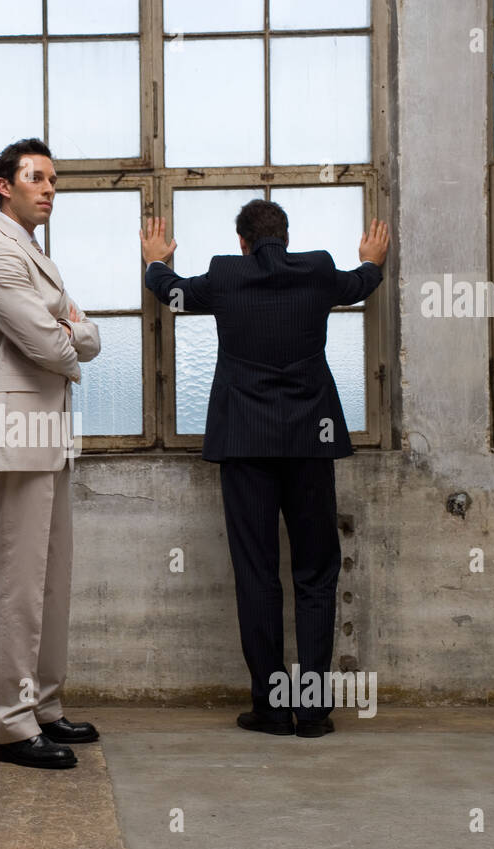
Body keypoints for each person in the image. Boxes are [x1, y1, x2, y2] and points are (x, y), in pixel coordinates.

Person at [141, 200, 390, 738]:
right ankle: (315, 712)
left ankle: (273, 709)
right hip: (310, 444)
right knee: (316, 575)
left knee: (258, 575)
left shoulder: (228, 275)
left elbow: (173, 293)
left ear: (242, 242)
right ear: (286, 236)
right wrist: (371, 260)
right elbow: (359, 285)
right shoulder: (319, 270)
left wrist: (156, 261)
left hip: (246, 445)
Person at [0, 138, 101, 768]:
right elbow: (52, 343)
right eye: (35, 178)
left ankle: (44, 705)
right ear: (3, 186)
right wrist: (69, 335)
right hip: (17, 436)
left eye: (52, 180)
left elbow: (84, 333)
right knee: (17, 586)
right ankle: (13, 728)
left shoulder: (36, 256)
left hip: (49, 438)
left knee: (51, 582)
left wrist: (70, 334)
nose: (48, 189)